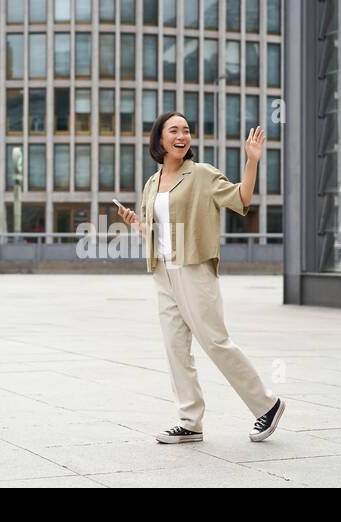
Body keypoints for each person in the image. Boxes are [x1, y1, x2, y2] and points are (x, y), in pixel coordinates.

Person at [117, 112, 286, 444]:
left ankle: (267, 404)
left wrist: (252, 162)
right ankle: (190, 420)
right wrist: (135, 223)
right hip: (162, 271)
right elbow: (154, 232)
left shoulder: (202, 175)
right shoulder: (151, 184)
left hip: (193, 267)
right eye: (174, 131)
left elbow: (241, 199)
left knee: (215, 341)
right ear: (159, 140)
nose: (182, 136)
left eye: (187, 130)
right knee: (175, 347)